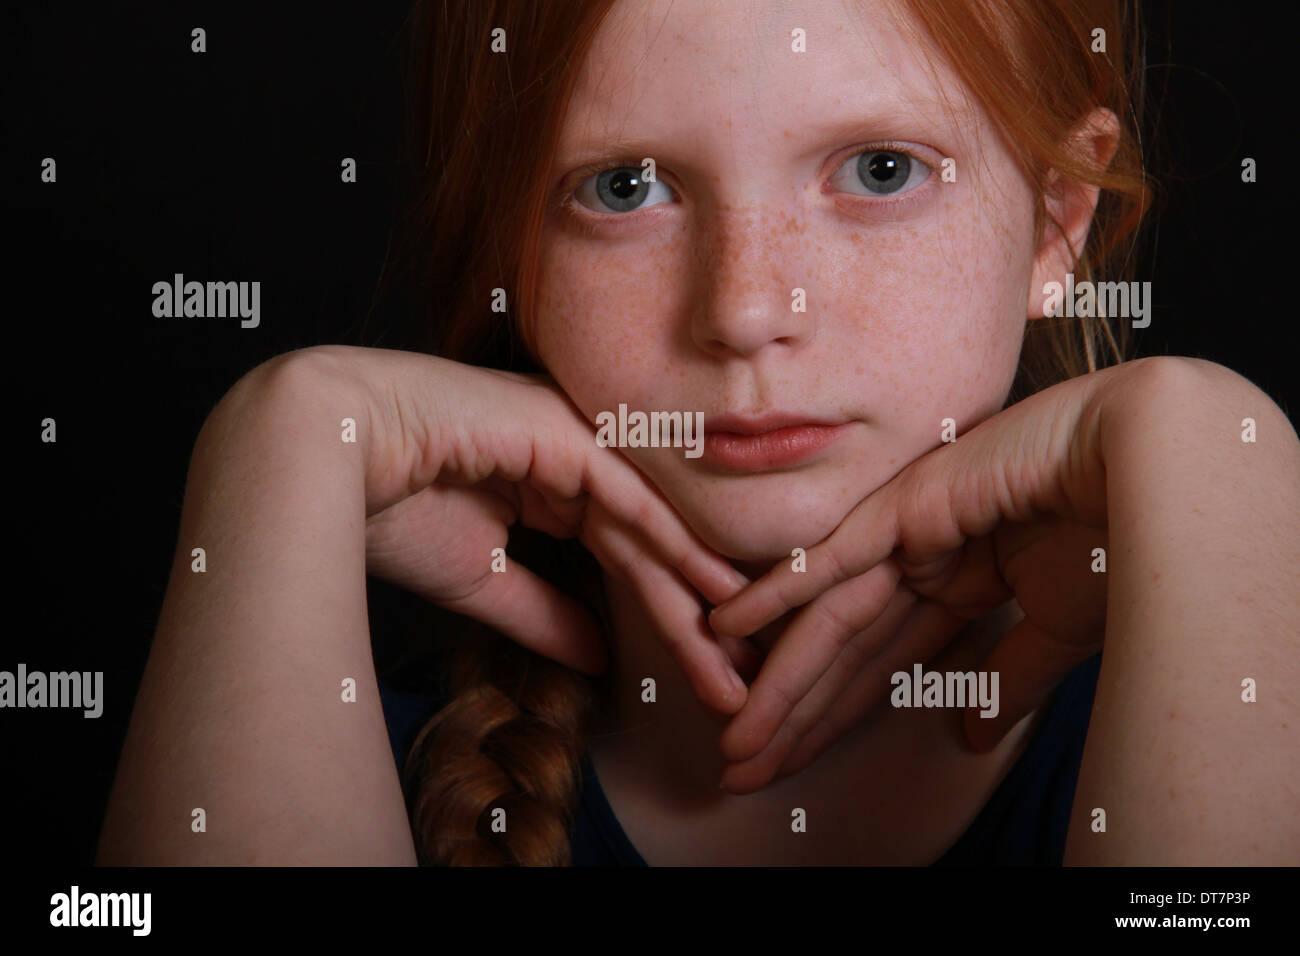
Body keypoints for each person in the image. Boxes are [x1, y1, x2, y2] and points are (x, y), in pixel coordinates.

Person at [96, 0, 1300, 866]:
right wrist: (279, 441)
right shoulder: (349, 770)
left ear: (1056, 226)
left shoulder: (1217, 728)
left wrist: (1218, 451)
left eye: (880, 170)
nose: (743, 311)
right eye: (624, 188)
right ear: (508, 247)